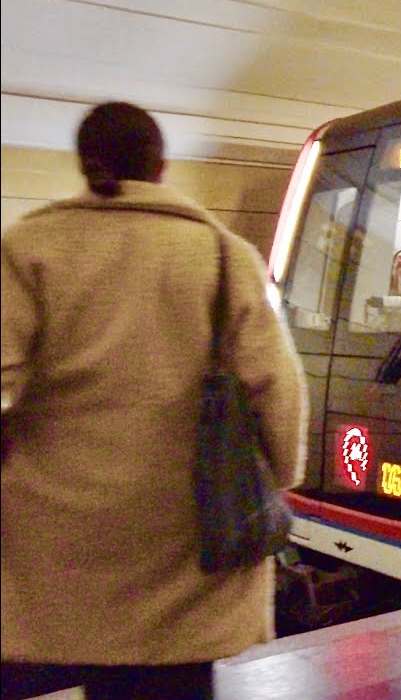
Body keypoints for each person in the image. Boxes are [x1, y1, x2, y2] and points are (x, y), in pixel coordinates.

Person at [0, 102, 307, 700]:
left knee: (64, 658)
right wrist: (278, 475)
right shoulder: (222, 254)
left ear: (85, 164)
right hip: (184, 519)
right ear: (160, 167)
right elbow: (277, 384)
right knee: (174, 675)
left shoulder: (29, 244)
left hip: (54, 526)